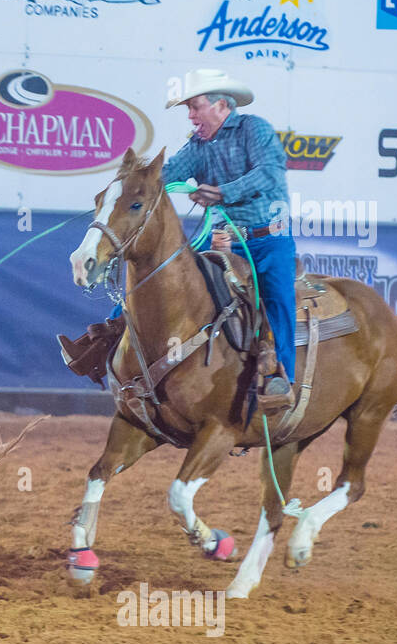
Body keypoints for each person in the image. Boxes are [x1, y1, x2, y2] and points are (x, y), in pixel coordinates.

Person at [59, 68, 296, 413]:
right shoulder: (198, 146)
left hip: (267, 238)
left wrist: (222, 193)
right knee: (159, 278)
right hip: (221, 238)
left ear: (220, 105)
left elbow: (269, 171)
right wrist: (131, 188)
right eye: (189, 109)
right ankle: (101, 343)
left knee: (277, 298)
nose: (191, 115)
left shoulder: (254, 130)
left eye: (195, 107)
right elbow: (164, 174)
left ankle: (280, 378)